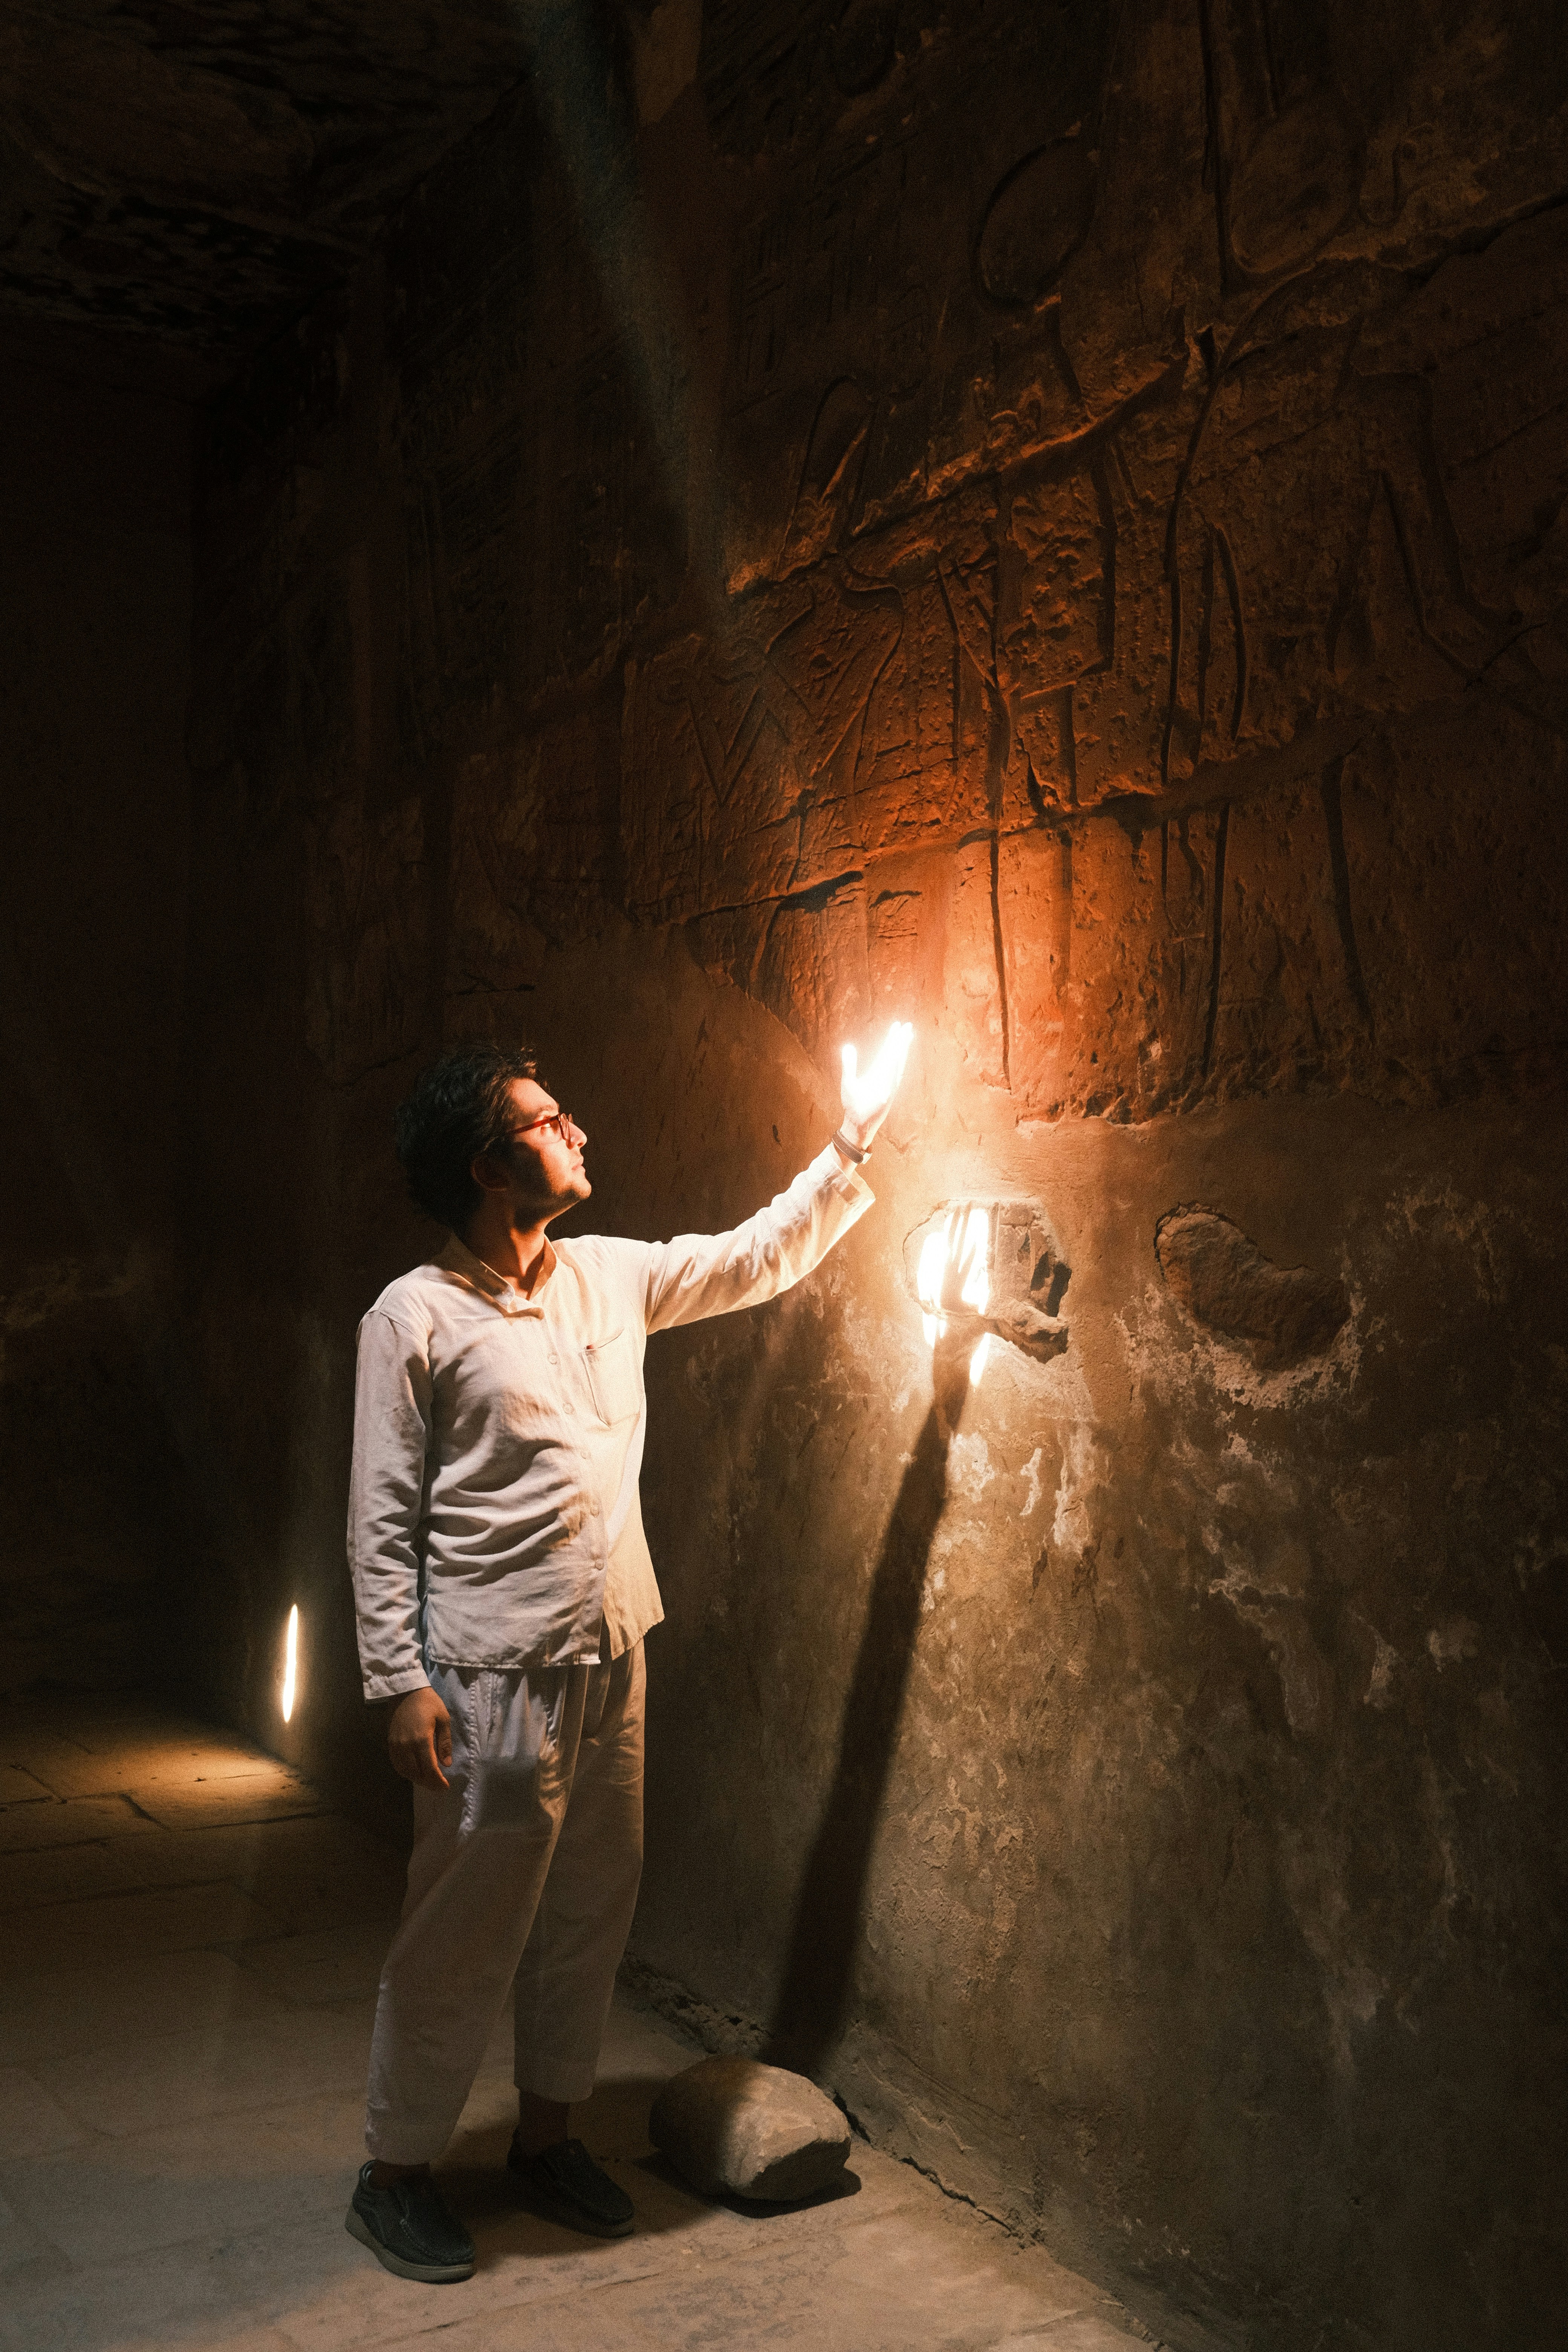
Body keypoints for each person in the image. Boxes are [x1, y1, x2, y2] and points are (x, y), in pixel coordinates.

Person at [344, 1023, 913, 2283]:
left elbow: (750, 1259)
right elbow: (381, 1516)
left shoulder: (605, 1275)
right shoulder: (416, 1319)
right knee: (462, 1932)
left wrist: (850, 1148)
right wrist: (401, 1680)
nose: (577, 1132)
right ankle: (395, 2173)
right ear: (490, 1168)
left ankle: (547, 2140)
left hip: (615, 1651)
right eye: (550, 1124)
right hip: (491, 1677)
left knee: (590, 1915)